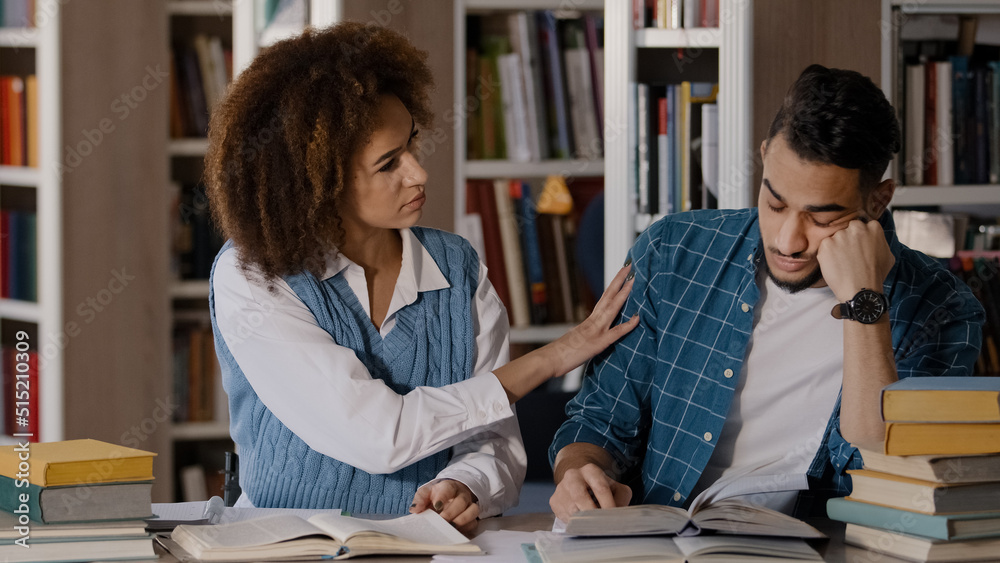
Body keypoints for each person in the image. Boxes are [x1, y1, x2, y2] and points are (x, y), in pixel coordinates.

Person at [203, 22, 638, 532]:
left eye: (411, 143)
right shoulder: (252, 274)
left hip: (424, 545)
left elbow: (494, 444)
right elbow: (378, 435)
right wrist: (551, 358)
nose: (418, 172)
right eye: (389, 164)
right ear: (317, 183)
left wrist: (467, 482)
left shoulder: (457, 267)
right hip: (287, 546)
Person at [548, 64, 986, 520]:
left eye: (821, 218)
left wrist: (865, 306)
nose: (788, 240)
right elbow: (601, 420)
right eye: (775, 203)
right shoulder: (674, 251)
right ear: (763, 157)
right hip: (663, 543)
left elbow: (890, 478)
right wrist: (579, 470)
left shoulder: (943, 309)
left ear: (878, 200)